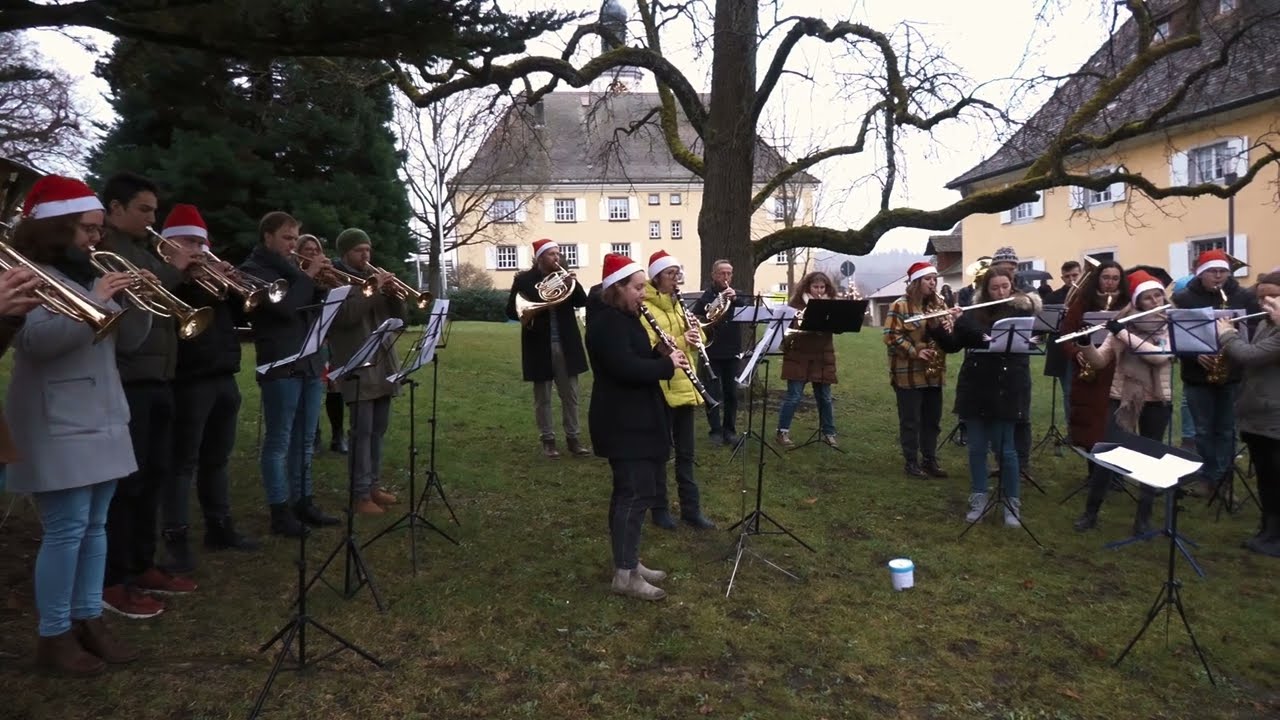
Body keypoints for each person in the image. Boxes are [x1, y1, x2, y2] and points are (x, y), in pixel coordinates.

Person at [7, 176, 150, 673]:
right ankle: (54, 634)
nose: (97, 237)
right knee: (66, 529)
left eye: (97, 228)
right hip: (56, 418)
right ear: (57, 226)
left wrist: (134, 303)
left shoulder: (84, 273)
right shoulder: (28, 274)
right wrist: (100, 299)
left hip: (101, 413)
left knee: (95, 525)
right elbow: (36, 343)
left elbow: (127, 343)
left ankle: (88, 618)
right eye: (88, 228)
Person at [97, 171, 199, 618]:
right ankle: (115, 577)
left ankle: (142, 563)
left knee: (154, 474)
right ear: (115, 209)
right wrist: (174, 268)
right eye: (144, 210)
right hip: (129, 378)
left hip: (160, 376)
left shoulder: (142, 250)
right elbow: (137, 301)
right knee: (129, 484)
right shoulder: (106, 250)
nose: (152, 219)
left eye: (154, 211)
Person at [158, 205, 258, 574]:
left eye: (201, 243)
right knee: (182, 462)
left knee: (217, 457)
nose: (198, 250)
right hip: (189, 379)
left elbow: (247, 313)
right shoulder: (165, 277)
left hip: (223, 374)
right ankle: (175, 536)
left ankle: (219, 525)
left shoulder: (210, 279)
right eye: (189, 242)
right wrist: (182, 275)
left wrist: (230, 284)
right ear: (169, 245)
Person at [586, 253, 687, 601]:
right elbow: (624, 368)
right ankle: (624, 575)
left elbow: (635, 358)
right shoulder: (606, 323)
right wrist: (666, 365)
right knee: (632, 494)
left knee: (634, 494)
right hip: (622, 423)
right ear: (617, 288)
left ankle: (628, 563)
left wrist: (658, 352)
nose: (643, 293)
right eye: (637, 287)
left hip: (636, 419)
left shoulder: (624, 318)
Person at [239, 211, 339, 536]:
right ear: (267, 236)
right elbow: (284, 308)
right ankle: (280, 511)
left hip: (309, 361)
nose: (293, 244)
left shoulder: (294, 269)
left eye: (296, 238)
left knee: (305, 439)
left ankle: (303, 501)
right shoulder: (253, 270)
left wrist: (324, 286)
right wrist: (309, 276)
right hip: (280, 363)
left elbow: (311, 307)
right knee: (279, 441)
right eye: (287, 238)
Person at [1072, 271, 1174, 534]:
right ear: (1137, 301)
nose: (1155, 301)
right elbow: (1099, 361)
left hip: (1156, 401)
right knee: (1108, 455)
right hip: (1121, 398)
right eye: (1148, 297)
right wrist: (1085, 344)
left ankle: (1143, 519)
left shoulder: (1170, 324)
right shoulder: (1121, 323)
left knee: (1151, 459)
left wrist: (1123, 333)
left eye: (1158, 296)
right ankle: (1090, 514)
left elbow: (1159, 356)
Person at [936, 267, 1039, 527]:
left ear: (1012, 286)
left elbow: (989, 337)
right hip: (975, 386)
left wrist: (963, 320)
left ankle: (1011, 503)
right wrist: (937, 327)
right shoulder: (974, 312)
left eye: (1005, 286)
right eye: (995, 288)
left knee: (1006, 450)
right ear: (985, 290)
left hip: (1006, 387)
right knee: (977, 448)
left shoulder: (1021, 311)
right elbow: (954, 345)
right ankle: (979, 499)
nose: (1001, 292)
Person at [327, 228, 405, 515]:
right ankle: (359, 494)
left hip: (383, 362)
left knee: (378, 430)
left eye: (368, 249)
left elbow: (401, 320)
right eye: (359, 250)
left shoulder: (372, 279)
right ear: (345, 253)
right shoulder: (335, 279)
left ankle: (373, 486)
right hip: (357, 364)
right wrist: (372, 290)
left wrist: (394, 295)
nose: (365, 255)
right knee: (362, 432)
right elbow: (346, 317)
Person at [639, 251, 715, 530]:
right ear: (656, 277)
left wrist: (696, 334)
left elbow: (699, 338)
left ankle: (691, 510)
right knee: (660, 452)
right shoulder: (645, 308)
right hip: (663, 386)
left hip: (686, 384)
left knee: (687, 453)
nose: (675, 279)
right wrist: (683, 339)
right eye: (670, 274)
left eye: (677, 273)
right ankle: (659, 509)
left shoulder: (679, 304)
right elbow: (653, 346)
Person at [1173, 249, 1258, 496]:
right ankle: (1207, 476)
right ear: (1200, 274)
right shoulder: (1184, 298)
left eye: (1222, 271)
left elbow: (1253, 330)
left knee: (1227, 429)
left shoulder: (1243, 296)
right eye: (1212, 271)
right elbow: (1175, 337)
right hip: (1197, 375)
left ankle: (1224, 479)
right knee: (1202, 430)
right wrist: (1194, 354)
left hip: (1233, 372)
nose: (1218, 276)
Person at [504, 238, 591, 459]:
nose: (557, 257)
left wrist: (573, 283)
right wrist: (538, 304)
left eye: (558, 253)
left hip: (566, 343)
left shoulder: (564, 276)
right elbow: (512, 311)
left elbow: (582, 301)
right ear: (540, 257)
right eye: (552, 254)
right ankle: (548, 440)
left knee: (570, 395)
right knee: (542, 397)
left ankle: (573, 438)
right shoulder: (524, 280)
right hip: (538, 343)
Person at [1217, 273, 1280, 556]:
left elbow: (1251, 355)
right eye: (1261, 297)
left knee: (1276, 478)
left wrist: (1227, 335)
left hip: (1274, 415)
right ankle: (1268, 530)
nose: (1265, 302)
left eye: (1273, 296)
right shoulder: (1267, 323)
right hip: (1257, 411)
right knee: (1266, 478)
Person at [883, 261, 950, 478]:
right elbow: (890, 336)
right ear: (916, 282)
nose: (933, 283)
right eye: (928, 279)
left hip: (933, 372)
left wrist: (949, 325)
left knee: (932, 420)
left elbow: (947, 333)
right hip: (908, 373)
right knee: (911, 421)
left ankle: (930, 459)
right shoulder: (900, 305)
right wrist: (914, 351)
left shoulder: (939, 303)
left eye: (934, 279)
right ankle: (911, 462)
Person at [1063, 260, 1128, 453]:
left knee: (1115, 421)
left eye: (1115, 278)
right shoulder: (1083, 302)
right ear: (1098, 279)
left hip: (1117, 370)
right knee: (1090, 421)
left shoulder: (1127, 304)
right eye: (1105, 277)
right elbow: (1065, 334)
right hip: (1088, 369)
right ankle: (1093, 461)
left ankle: (1115, 464)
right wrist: (1075, 352)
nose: (1110, 282)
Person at [775, 271, 839, 448]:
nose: (819, 291)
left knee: (825, 397)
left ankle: (829, 433)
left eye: (822, 287)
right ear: (807, 287)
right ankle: (782, 432)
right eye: (815, 287)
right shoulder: (796, 304)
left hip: (823, 354)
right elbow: (788, 328)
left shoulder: (832, 304)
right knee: (794, 396)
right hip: (799, 354)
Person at [296, 235, 346, 455]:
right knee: (313, 385)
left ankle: (338, 436)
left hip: (330, 336)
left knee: (335, 385)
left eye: (316, 250)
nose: (313, 254)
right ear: (298, 252)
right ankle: (313, 435)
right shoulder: (298, 276)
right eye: (308, 250)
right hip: (308, 339)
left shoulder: (325, 275)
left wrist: (335, 283)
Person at [692, 258, 749, 445]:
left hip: (732, 351)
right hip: (712, 350)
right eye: (722, 273)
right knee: (713, 392)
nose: (726, 277)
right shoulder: (707, 296)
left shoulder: (737, 296)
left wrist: (735, 299)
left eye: (729, 273)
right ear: (714, 275)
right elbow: (697, 316)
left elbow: (747, 307)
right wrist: (718, 301)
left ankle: (730, 430)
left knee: (731, 393)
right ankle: (715, 430)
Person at [1043, 260, 1083, 426]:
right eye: (1067, 277)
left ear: (1081, 274)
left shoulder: (1090, 294)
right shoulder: (1053, 297)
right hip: (1063, 349)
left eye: (1075, 275)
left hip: (1087, 346)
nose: (1071, 279)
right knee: (1069, 391)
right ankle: (1072, 429)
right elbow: (1046, 324)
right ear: (1062, 278)